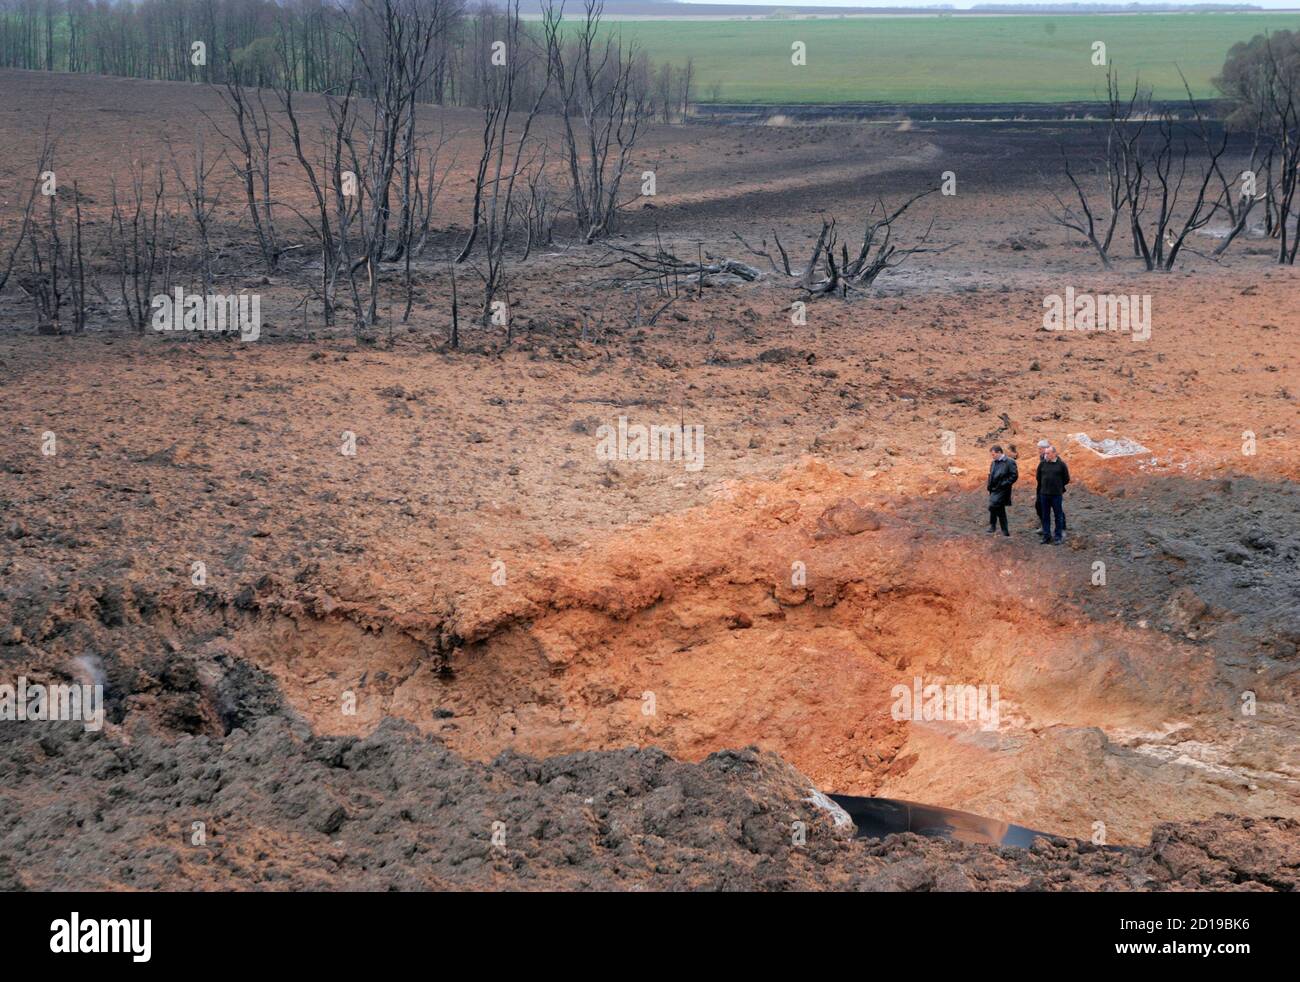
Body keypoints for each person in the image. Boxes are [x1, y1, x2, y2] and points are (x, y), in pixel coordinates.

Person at [1036, 446, 1070, 544]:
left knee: (1058, 515)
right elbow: (1038, 477)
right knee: (1045, 516)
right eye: (1045, 453)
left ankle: (1058, 537)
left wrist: (1058, 486)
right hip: (1044, 494)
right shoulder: (1042, 464)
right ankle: (1046, 536)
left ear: (1054, 453)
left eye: (1048, 453)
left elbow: (1066, 479)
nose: (1046, 455)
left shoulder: (1061, 465)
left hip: (1056, 495)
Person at [986, 445, 1018, 536]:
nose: (992, 456)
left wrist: (1004, 484)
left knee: (993, 505)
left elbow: (1014, 476)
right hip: (994, 489)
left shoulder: (1010, 462)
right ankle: (1003, 530)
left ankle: (993, 526)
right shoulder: (994, 462)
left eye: (993, 454)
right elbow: (991, 475)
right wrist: (989, 486)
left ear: (999, 452)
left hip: (1003, 490)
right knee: (999, 508)